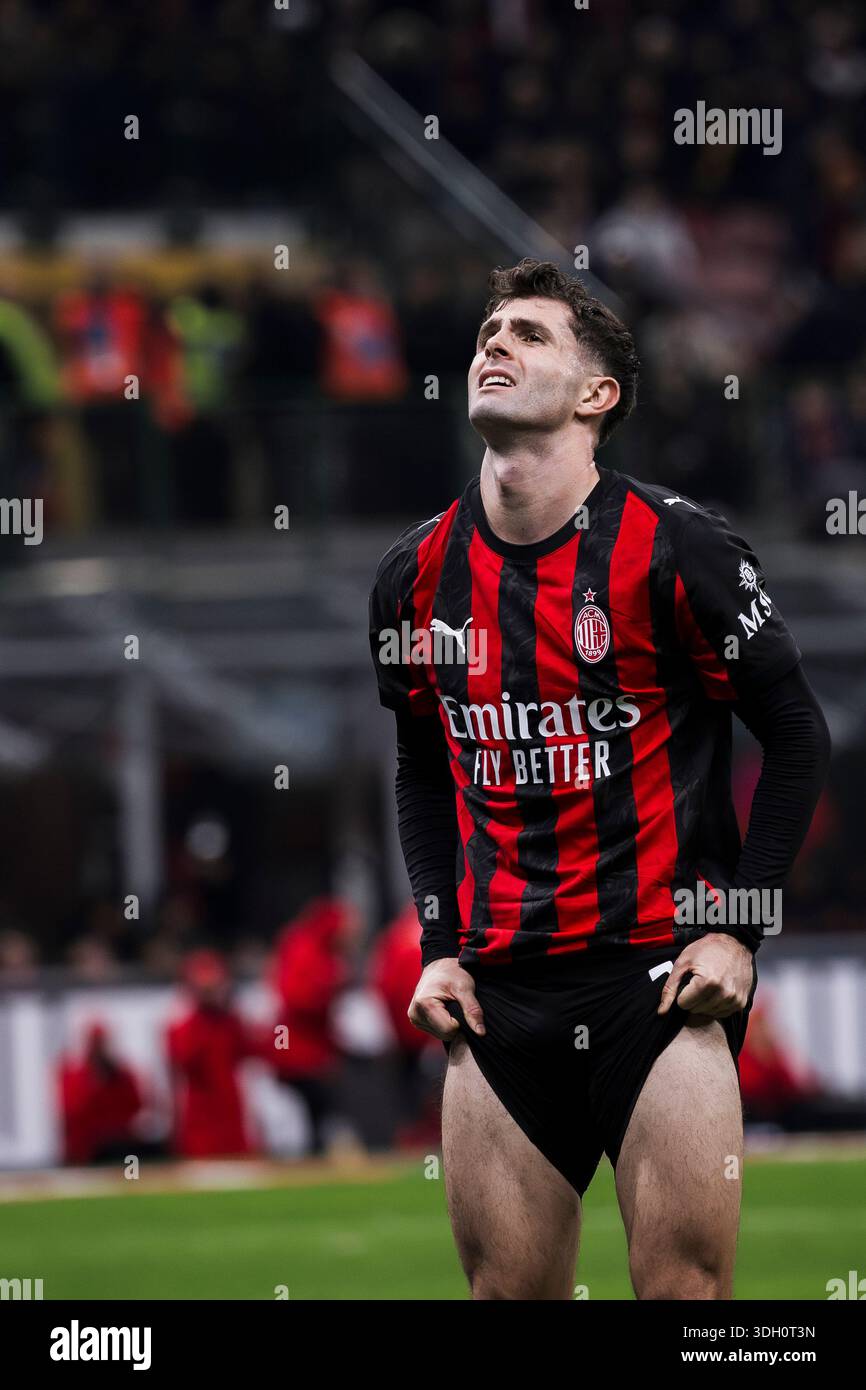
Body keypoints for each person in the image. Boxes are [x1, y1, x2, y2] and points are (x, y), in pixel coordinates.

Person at [368, 258, 831, 1300]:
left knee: (681, 1295)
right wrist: (440, 948)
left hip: (655, 979)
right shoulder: (413, 575)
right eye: (488, 330)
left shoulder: (677, 547)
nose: (493, 344)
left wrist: (736, 933)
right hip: (495, 997)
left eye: (527, 334)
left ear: (595, 394)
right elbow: (419, 763)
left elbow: (796, 733)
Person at [166, 949, 260, 1158]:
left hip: (231, 1114)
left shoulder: (232, 1022)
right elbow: (183, 1061)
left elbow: (259, 1049)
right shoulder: (183, 1025)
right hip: (200, 1118)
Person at [58, 1021, 143, 1165]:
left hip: (118, 1147)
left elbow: (136, 1105)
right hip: (85, 1150)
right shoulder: (75, 1075)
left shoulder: (122, 1075)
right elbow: (74, 1109)